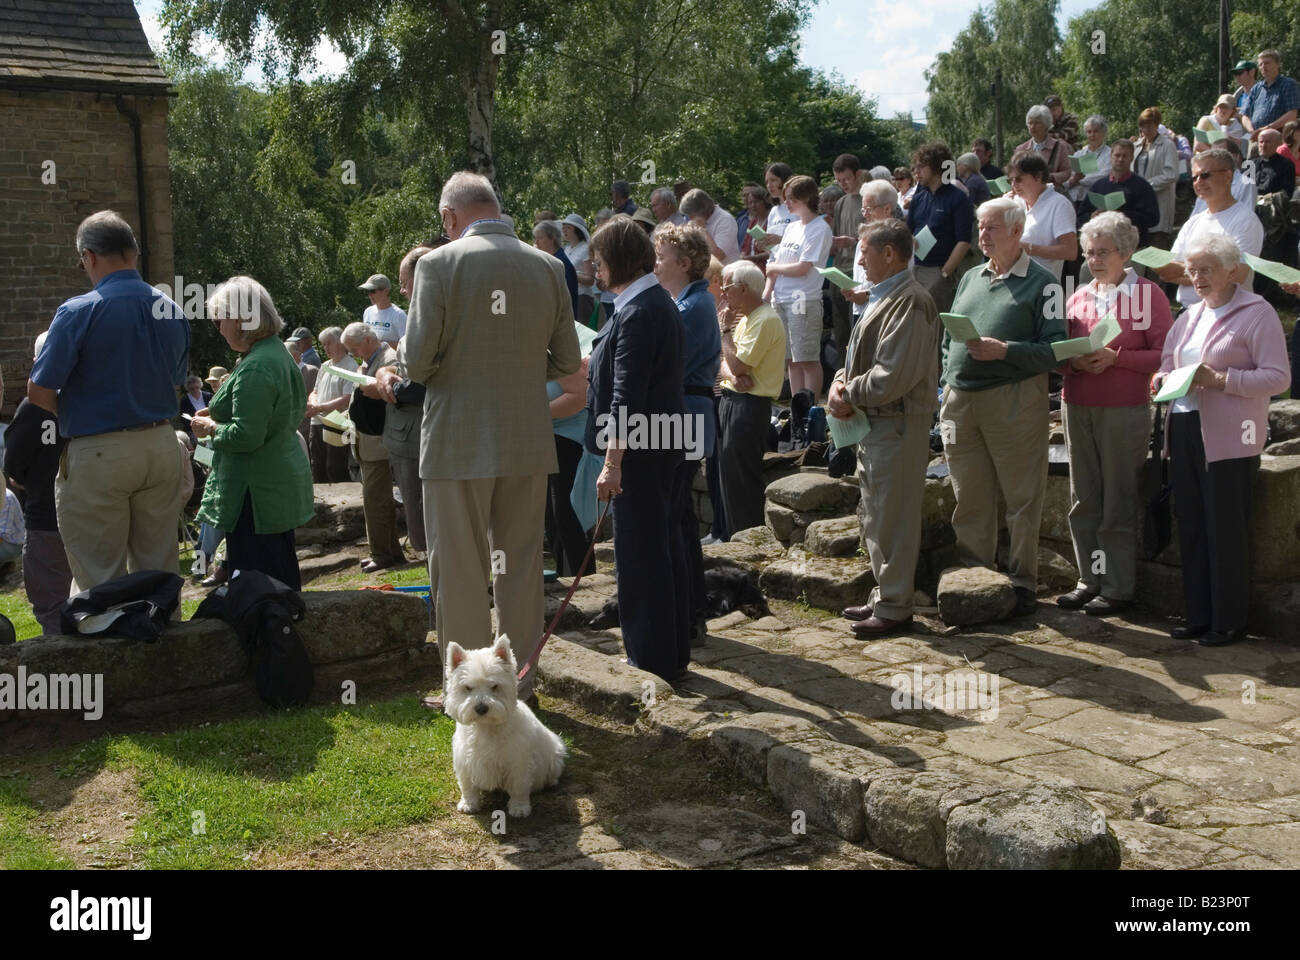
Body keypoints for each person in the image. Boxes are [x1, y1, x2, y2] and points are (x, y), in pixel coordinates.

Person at [381, 171, 580, 699]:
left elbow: (418, 362)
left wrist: (402, 362)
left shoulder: (437, 264)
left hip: (455, 439)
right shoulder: (549, 265)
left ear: (450, 217)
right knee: (519, 569)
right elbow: (565, 360)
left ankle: (466, 694)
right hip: (526, 437)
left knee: (462, 573)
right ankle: (519, 685)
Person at [27, 210, 189, 594]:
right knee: (160, 574)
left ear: (89, 256)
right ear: (133, 252)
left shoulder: (78, 311)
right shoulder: (173, 310)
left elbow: (39, 392)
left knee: (100, 580)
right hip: (161, 444)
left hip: (100, 451)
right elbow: (176, 382)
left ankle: (111, 649)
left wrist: (75, 410)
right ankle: (169, 650)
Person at [1153, 235, 1290, 645]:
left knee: (1225, 528)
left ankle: (1228, 621)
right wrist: (1160, 381)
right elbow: (1164, 364)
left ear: (1232, 269)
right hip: (1183, 426)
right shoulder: (1189, 315)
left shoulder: (1257, 312)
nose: (1197, 277)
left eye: (1206, 269)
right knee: (1191, 524)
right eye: (1192, 270)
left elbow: (1279, 378)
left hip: (1231, 436)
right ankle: (1198, 615)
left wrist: (1222, 380)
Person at [941, 197, 1066, 618]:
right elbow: (948, 336)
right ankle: (974, 580)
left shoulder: (1045, 283)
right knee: (969, 495)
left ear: (1016, 231)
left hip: (1012, 401)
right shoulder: (970, 277)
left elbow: (1054, 351)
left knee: (1020, 497)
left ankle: (1022, 582)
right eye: (980, 227)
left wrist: (1005, 351)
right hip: (960, 400)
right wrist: (946, 376)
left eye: (992, 227)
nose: (983, 235)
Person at [585, 216, 689, 682]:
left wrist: (612, 464)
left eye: (600, 260)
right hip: (658, 444)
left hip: (641, 453)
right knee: (660, 549)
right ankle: (667, 651)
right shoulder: (649, 302)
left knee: (641, 556)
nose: (595, 268)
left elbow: (627, 398)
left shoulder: (640, 309)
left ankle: (649, 657)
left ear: (619, 261)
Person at [1056, 212, 1173, 615]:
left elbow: (1165, 354)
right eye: (1089, 253)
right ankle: (1089, 578)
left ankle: (1118, 586)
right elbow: (1060, 353)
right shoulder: (1077, 295)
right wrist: (1074, 364)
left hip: (1124, 409)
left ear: (1126, 252)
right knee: (1083, 498)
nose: (1095, 260)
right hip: (1077, 403)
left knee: (1118, 499)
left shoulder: (1148, 294)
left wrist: (1116, 357)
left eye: (1103, 252)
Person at [829, 219, 938, 635]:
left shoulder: (911, 301)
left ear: (889, 253)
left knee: (894, 515)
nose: (858, 259)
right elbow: (859, 359)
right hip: (875, 424)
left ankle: (895, 606)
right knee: (877, 514)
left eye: (864, 251)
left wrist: (848, 392)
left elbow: (894, 375)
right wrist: (841, 382)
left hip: (896, 423)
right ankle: (886, 595)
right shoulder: (884, 297)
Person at [190, 277, 314, 589]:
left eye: (221, 318)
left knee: (260, 589)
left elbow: (246, 436)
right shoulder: (274, 353)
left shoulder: (257, 365)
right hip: (271, 484)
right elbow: (270, 414)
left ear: (242, 318)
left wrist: (211, 427)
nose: (218, 327)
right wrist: (219, 412)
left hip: (255, 493)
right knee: (279, 580)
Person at [654, 223, 722, 642]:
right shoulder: (687, 302)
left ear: (684, 262)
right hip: (686, 414)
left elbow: (670, 364)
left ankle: (687, 610)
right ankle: (690, 608)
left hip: (685, 415)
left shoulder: (693, 306)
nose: (655, 263)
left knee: (676, 517)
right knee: (679, 518)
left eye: (661, 256)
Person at [3, 333, 72, 634]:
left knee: (54, 605)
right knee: (98, 597)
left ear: (37, 361)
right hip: (97, 514)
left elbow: (13, 466)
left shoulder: (33, 406)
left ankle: (69, 676)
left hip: (48, 518)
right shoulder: (94, 399)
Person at [717, 259, 784, 534]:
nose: (722, 294)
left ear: (743, 288)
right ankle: (735, 538)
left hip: (749, 407)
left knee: (742, 482)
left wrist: (724, 335)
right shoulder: (745, 319)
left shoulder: (765, 320)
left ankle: (747, 543)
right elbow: (723, 364)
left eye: (726, 288)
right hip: (732, 400)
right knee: (729, 481)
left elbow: (737, 363)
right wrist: (732, 375)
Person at [377, 244, 436, 560]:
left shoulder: (429, 316)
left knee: (426, 517)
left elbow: (422, 383)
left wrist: (393, 389)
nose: (401, 290)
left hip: (423, 436)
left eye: (404, 282)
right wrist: (387, 371)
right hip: (415, 436)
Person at [1155, 148, 1264, 309]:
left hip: (1228, 315)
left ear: (1228, 176)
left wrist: (1184, 272)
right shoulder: (1193, 222)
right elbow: (1167, 272)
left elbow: (1237, 276)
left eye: (1205, 175)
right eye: (1194, 177)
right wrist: (1212, 273)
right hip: (1188, 313)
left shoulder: (1246, 221)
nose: (1199, 182)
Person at [341, 321, 403, 572]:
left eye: (354, 348)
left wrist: (373, 387)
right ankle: (389, 551)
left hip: (380, 442)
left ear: (367, 340)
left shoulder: (390, 358)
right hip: (367, 441)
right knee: (377, 500)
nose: (353, 354)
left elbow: (393, 391)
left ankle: (382, 553)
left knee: (375, 499)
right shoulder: (370, 360)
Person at [764, 174, 833, 398]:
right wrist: (768, 290)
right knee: (791, 359)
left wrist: (774, 270)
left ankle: (810, 411)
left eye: (791, 198)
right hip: (781, 299)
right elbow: (777, 261)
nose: (786, 203)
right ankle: (797, 408)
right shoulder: (792, 227)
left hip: (803, 299)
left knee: (807, 358)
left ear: (806, 198)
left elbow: (804, 267)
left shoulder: (819, 228)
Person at [906, 142, 973, 313]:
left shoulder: (958, 198)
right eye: (914, 167)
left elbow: (964, 241)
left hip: (939, 272)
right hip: (915, 269)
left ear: (936, 166)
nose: (916, 172)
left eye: (921, 166)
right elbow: (909, 230)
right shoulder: (918, 198)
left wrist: (944, 273)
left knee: (937, 330)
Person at [1008, 151, 1077, 281]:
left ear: (1038, 176)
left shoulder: (1059, 204)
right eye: (1011, 180)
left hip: (1041, 287)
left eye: (1018, 179)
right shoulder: (1014, 202)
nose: (1013, 185)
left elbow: (1070, 251)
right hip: (1011, 281)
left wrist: (1028, 248)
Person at [305, 326, 359, 483]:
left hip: (339, 421)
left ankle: (344, 505)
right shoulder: (325, 366)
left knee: (336, 466)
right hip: (317, 421)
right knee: (317, 465)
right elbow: (314, 391)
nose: (325, 347)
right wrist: (314, 404)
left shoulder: (350, 366)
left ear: (341, 344)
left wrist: (319, 407)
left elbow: (348, 398)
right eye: (323, 344)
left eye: (329, 343)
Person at [843, 179, 901, 321]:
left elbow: (900, 281)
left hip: (883, 313)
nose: (865, 214)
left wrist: (867, 295)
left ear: (887, 209)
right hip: (859, 312)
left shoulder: (899, 240)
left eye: (869, 209)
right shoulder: (865, 236)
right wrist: (852, 291)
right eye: (863, 209)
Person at [830, 153, 869, 351]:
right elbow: (836, 236)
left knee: (856, 329)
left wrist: (852, 241)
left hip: (860, 272)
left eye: (846, 179)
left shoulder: (868, 199)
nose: (843, 184)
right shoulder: (840, 203)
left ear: (858, 174)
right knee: (841, 331)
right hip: (839, 271)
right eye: (839, 181)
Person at [1133, 107, 1180, 248]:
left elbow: (1171, 175)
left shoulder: (1167, 145)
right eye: (1143, 124)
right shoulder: (1136, 146)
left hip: (1159, 202)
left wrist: (1146, 186)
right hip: (1138, 207)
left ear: (1157, 124)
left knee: (1156, 249)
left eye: (1149, 124)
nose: (1146, 128)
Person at [1242, 49, 1300, 155]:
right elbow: (1245, 115)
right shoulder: (1256, 88)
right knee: (1253, 170)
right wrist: (1252, 132)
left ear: (1277, 64)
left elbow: (1292, 114)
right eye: (1261, 64)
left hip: (1278, 140)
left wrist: (1268, 128)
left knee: (1275, 170)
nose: (1263, 66)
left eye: (1267, 63)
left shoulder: (1289, 85)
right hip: (1256, 140)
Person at [532, 219, 580, 320]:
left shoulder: (560, 263)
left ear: (552, 238)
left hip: (561, 321)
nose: (536, 242)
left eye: (540, 238)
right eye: (535, 238)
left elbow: (565, 300)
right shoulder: (549, 259)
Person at [679, 188, 740, 266]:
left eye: (691, 215)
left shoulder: (725, 220)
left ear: (702, 210)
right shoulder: (698, 218)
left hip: (725, 273)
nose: (690, 219)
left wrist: (702, 229)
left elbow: (718, 255)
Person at [1015, 105, 1071, 188]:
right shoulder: (1020, 149)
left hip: (1051, 194)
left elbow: (1067, 173)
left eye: (1037, 123)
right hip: (1028, 195)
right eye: (1030, 123)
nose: (1032, 127)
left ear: (1046, 125)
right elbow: (1016, 173)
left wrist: (1050, 177)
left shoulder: (1060, 146)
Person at [1066, 115, 1112, 203]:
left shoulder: (1110, 154)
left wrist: (1078, 181)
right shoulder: (1079, 154)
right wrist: (1073, 179)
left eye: (1096, 131)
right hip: (1073, 199)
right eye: (1089, 132)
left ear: (1104, 132)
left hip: (1095, 200)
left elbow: (1103, 177)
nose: (1092, 135)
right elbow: (1069, 175)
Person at [562, 214, 598, 326]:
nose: (564, 230)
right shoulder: (567, 249)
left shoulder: (586, 249)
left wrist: (570, 274)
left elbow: (590, 279)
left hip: (582, 297)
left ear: (577, 230)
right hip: (567, 295)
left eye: (568, 227)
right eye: (564, 227)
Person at [358, 273, 406, 348]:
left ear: (386, 291)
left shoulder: (399, 315)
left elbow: (406, 346)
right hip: (369, 360)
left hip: (390, 359)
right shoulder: (368, 312)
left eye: (373, 291)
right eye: (368, 291)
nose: (370, 295)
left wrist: (379, 344)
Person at [1196, 94, 1249, 159]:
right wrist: (1217, 155)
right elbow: (1198, 145)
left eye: (1226, 107)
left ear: (1233, 110)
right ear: (1216, 108)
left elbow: (1235, 149)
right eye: (1221, 107)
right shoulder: (1205, 120)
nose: (1223, 111)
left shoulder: (1235, 127)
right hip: (1205, 160)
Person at [1251, 128, 1297, 196]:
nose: (1263, 145)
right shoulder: (1250, 165)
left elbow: (1287, 192)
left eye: (1267, 142)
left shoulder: (1286, 165)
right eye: (1261, 142)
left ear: (1277, 144)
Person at [761, 162, 797, 249]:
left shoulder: (799, 208)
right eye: (767, 182)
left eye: (773, 180)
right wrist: (764, 244)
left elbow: (806, 240)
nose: (769, 185)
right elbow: (771, 249)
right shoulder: (773, 211)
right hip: (774, 261)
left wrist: (781, 240)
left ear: (785, 180)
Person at [739, 183, 773, 263]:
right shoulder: (753, 222)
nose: (753, 205)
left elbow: (773, 250)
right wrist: (742, 258)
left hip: (766, 268)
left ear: (765, 201)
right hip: (750, 267)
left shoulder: (772, 220)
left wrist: (754, 258)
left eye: (756, 202)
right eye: (750, 203)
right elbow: (744, 248)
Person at [178, 375, 210, 439]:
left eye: (197, 387)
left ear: (200, 386)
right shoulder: (185, 400)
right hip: (193, 429)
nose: (195, 390)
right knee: (199, 442)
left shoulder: (208, 396)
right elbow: (184, 417)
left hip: (209, 425)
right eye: (192, 388)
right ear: (188, 389)